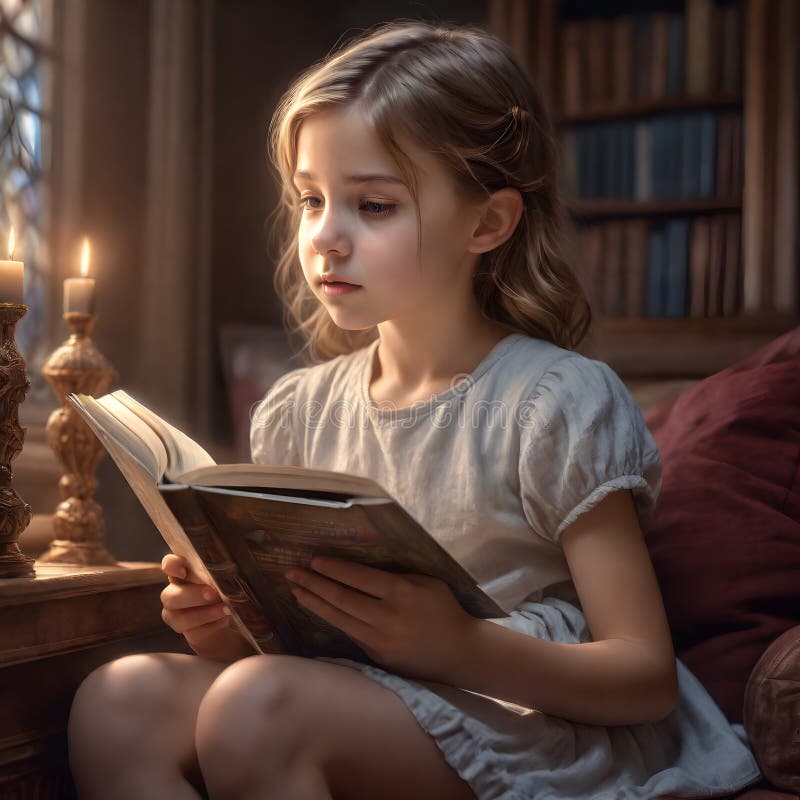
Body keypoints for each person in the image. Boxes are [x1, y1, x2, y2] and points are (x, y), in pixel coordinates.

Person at [68, 20, 762, 800]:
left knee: (255, 708)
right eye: (310, 199)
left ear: (488, 223)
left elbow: (643, 679)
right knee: (118, 700)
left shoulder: (554, 401)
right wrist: (224, 629)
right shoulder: (296, 410)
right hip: (346, 698)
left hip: (525, 713)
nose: (325, 237)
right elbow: (295, 660)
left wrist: (458, 645)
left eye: (372, 205)